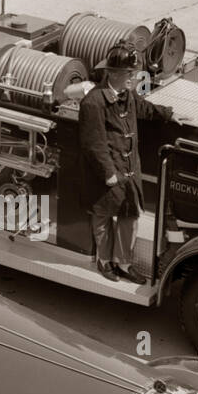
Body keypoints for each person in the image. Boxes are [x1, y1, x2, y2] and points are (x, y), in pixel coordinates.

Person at [78, 43, 174, 282]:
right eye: (129, 73)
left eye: (134, 72)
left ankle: (124, 262)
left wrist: (168, 114)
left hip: (129, 169)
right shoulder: (93, 102)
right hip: (107, 173)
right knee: (103, 217)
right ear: (112, 73)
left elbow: (143, 107)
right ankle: (104, 261)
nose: (134, 77)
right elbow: (94, 143)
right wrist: (108, 172)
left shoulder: (127, 94)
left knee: (129, 216)